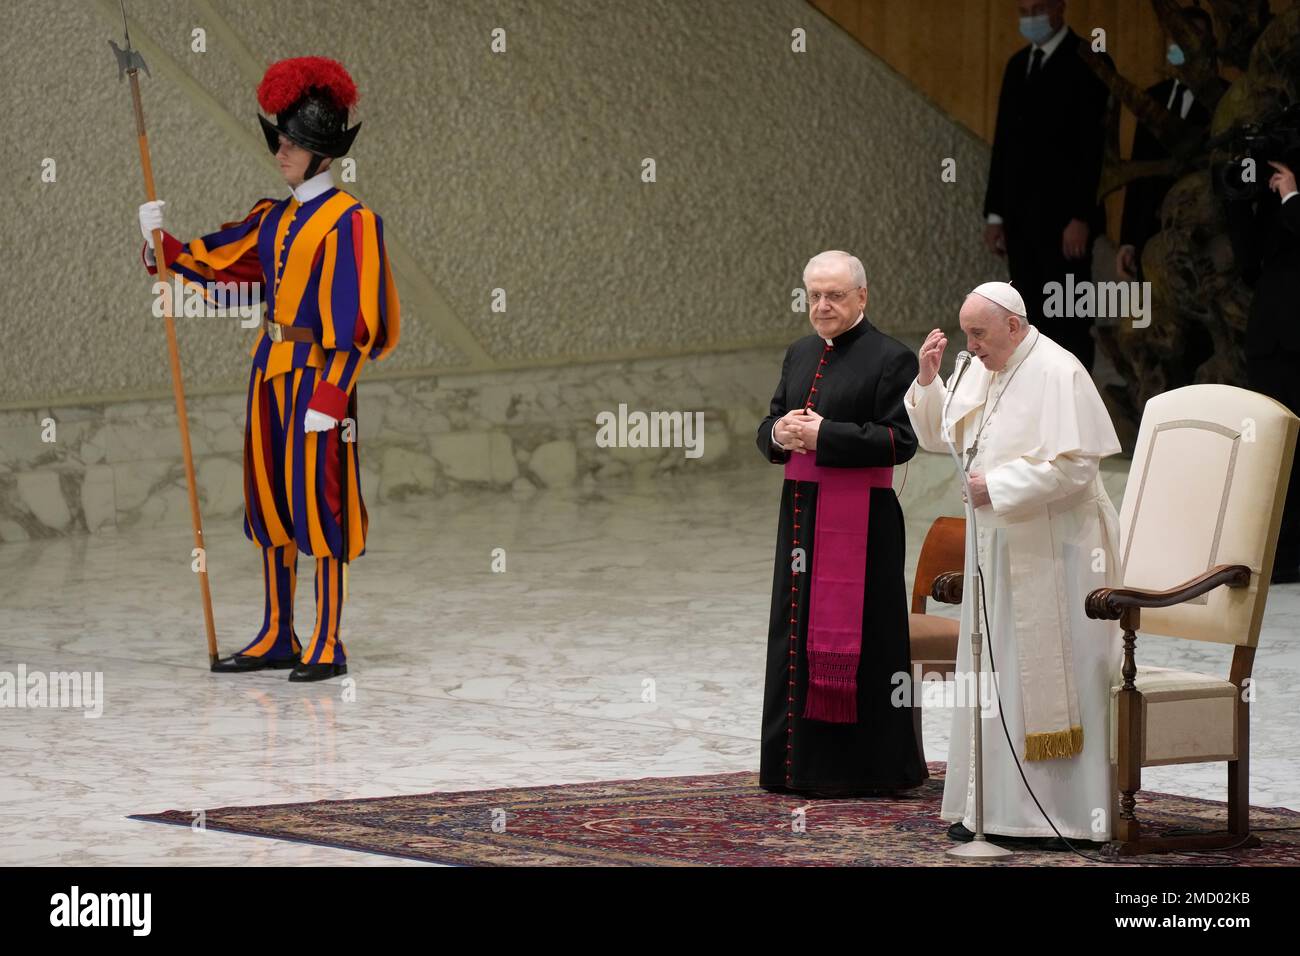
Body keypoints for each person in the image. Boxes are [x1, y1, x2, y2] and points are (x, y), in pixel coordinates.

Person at [136, 56, 400, 681]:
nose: (282, 149)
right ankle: (278, 632)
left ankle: (326, 641)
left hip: (318, 382)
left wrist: (333, 396)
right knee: (272, 502)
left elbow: (361, 322)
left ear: (322, 152)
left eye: (295, 141)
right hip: (270, 374)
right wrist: (164, 247)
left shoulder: (352, 223)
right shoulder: (272, 217)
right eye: (282, 138)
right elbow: (224, 269)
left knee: (321, 505)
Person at [904, 282, 1122, 847]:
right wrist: (929, 382)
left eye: (979, 334)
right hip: (995, 543)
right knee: (991, 673)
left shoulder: (1058, 371)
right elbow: (937, 437)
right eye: (966, 332)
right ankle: (989, 809)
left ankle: (1060, 816)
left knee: (1047, 679)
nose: (970, 346)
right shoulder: (983, 366)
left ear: (1015, 327)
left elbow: (1077, 465)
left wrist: (996, 486)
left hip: (1058, 548)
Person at [756, 250, 926, 796]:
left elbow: (900, 441)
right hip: (801, 516)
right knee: (795, 632)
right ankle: (795, 766)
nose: (823, 306)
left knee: (866, 640)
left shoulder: (890, 358)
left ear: (862, 297)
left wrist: (825, 435)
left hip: (864, 525)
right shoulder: (801, 352)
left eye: (835, 296)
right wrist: (779, 434)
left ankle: (867, 769)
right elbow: (771, 421)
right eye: (814, 297)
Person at [983, 0, 1112, 371]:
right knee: (1027, 318)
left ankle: (1072, 404)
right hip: (1020, 219)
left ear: (1059, 7)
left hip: (1066, 224)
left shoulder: (1089, 60)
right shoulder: (1018, 64)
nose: (1031, 18)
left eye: (1038, 8)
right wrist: (995, 214)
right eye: (1023, 10)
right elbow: (1003, 142)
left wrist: (1081, 216)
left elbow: (1097, 150)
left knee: (1067, 317)